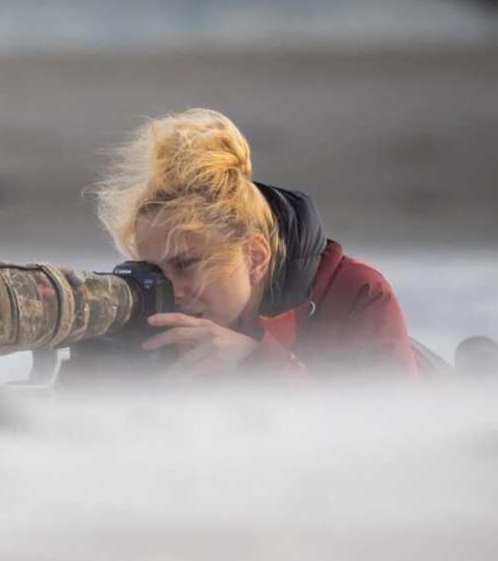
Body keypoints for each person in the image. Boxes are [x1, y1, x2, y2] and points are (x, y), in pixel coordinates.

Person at [87, 108, 425, 382]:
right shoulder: (161, 316)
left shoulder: (357, 292)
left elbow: (391, 436)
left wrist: (257, 360)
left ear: (255, 257)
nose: (171, 292)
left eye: (187, 264)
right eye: (153, 271)